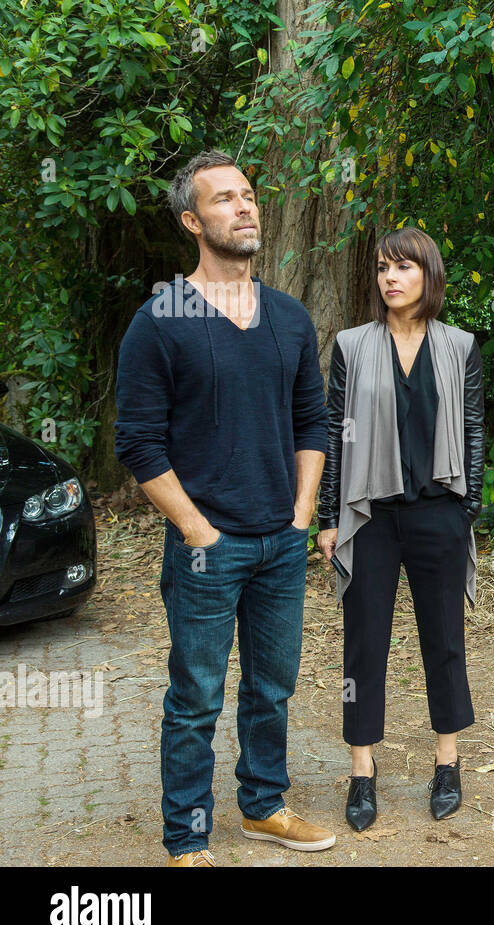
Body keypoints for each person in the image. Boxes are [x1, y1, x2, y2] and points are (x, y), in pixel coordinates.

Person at [114, 149, 336, 867]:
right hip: (207, 546)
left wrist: (302, 511)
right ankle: (186, 840)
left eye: (249, 195)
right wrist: (194, 525)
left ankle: (264, 806)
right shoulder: (162, 319)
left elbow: (312, 422)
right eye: (224, 200)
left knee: (272, 689)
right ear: (191, 221)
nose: (245, 207)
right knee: (197, 699)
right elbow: (139, 443)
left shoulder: (288, 317)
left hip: (280, 541)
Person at [316, 226, 484, 832]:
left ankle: (447, 763)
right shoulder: (352, 345)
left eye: (404, 267)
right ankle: (362, 773)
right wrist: (328, 516)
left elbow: (474, 429)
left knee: (443, 640)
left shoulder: (460, 346)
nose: (390, 277)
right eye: (383, 268)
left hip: (439, 511)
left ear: (428, 276)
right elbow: (335, 433)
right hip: (370, 515)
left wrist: (469, 508)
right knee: (364, 645)